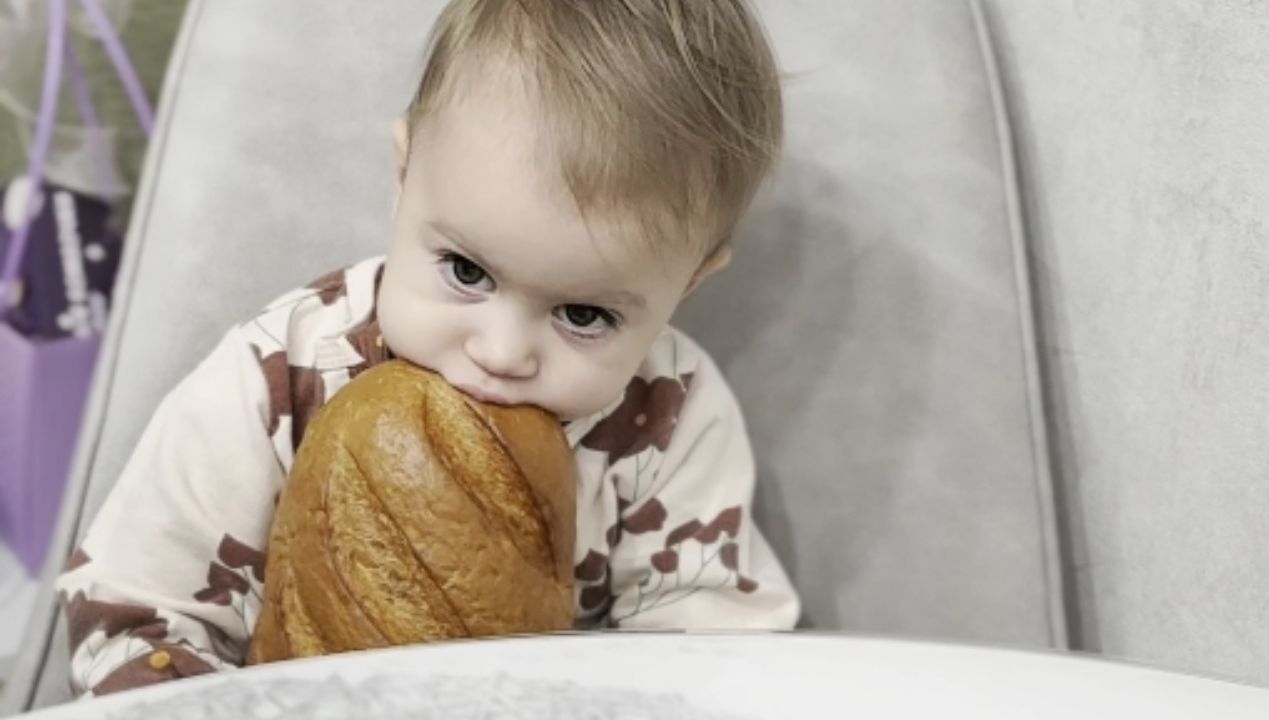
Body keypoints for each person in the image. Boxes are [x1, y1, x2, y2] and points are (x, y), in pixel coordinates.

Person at [56, 0, 800, 698]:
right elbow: (133, 608)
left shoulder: (671, 417)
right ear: (405, 173)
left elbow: (712, 647)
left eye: (584, 313)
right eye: (467, 271)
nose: (502, 352)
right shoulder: (276, 373)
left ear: (689, 282)